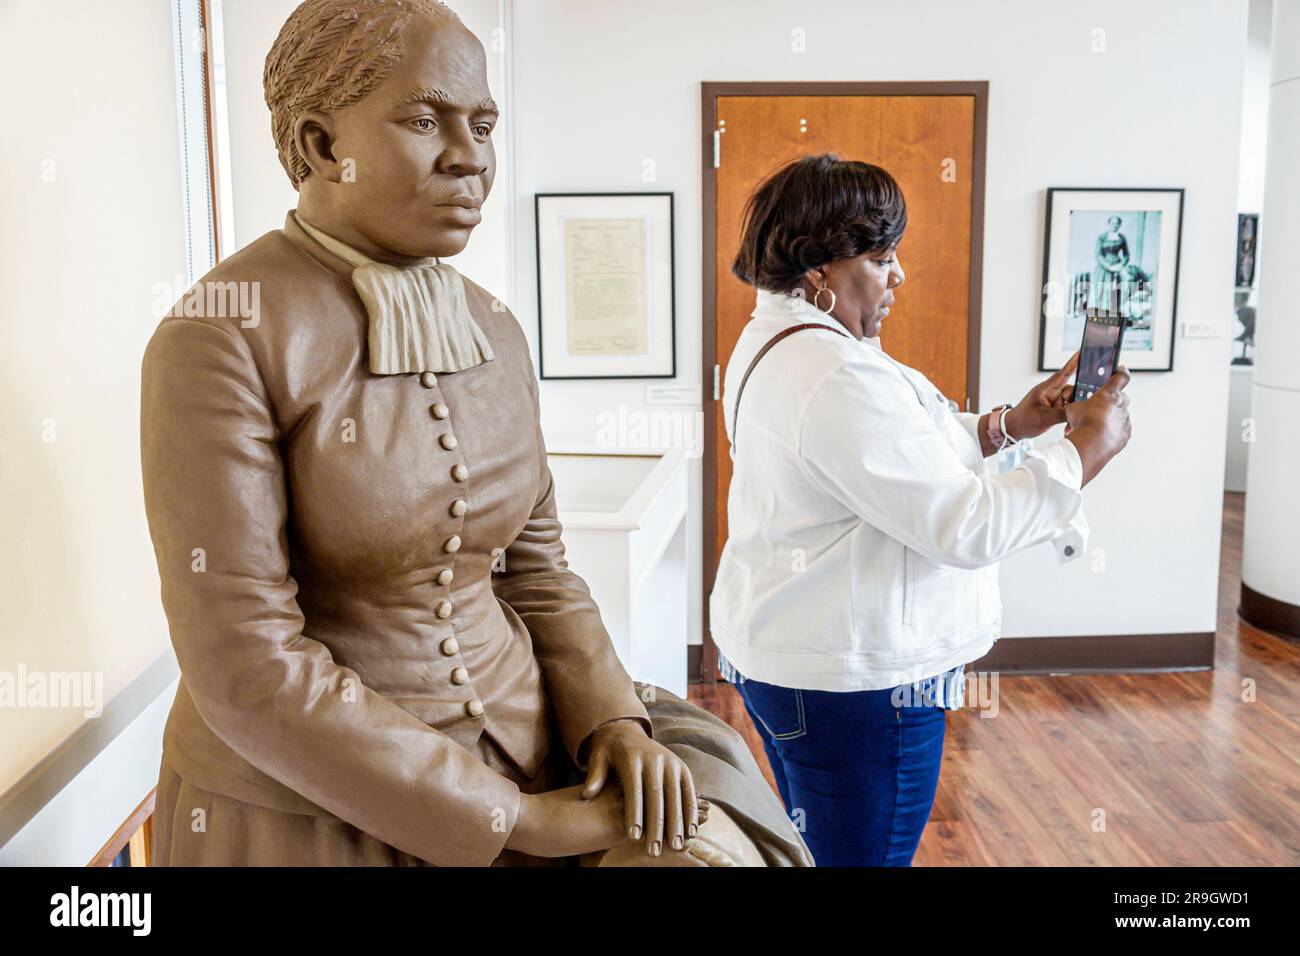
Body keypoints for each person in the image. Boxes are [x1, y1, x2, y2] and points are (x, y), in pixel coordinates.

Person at [141, 0, 809, 867]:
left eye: (483, 125)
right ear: (318, 146)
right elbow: (245, 663)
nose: (471, 159)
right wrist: (516, 821)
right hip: (318, 800)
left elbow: (540, 573)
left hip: (531, 742)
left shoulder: (493, 327)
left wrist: (612, 720)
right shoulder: (220, 336)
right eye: (424, 121)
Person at [710, 154, 1132, 866]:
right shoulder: (834, 374)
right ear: (819, 273)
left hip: (792, 666)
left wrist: (1007, 426)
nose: (898, 274)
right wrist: (1084, 452)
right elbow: (963, 527)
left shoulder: (779, 343)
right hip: (857, 689)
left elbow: (891, 458)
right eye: (880, 258)